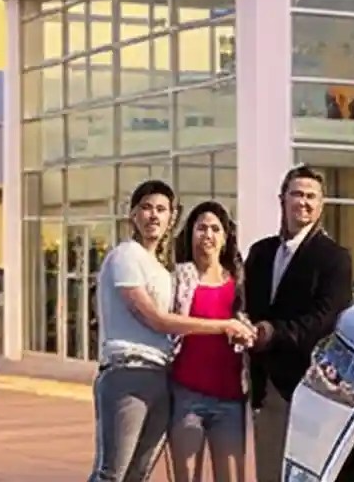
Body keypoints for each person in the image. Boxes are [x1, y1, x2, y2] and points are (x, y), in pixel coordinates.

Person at [90, 180, 256, 482]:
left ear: (171, 218)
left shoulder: (161, 270)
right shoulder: (128, 256)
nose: (154, 215)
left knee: (137, 473)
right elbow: (158, 319)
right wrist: (224, 326)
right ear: (133, 215)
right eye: (146, 208)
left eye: (161, 209)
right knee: (111, 473)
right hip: (130, 372)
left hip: (164, 378)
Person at [244, 166, 353, 482]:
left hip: (308, 384)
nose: (303, 202)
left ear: (321, 205)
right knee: (266, 471)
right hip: (263, 386)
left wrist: (272, 333)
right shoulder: (261, 253)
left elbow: (325, 318)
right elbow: (247, 306)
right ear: (282, 199)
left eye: (311, 196)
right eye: (296, 194)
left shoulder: (334, 258)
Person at [168, 201, 257, 482]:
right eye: (201, 227)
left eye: (215, 228)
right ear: (191, 233)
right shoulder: (179, 279)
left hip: (230, 399)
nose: (208, 234)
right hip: (186, 395)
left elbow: (253, 328)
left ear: (226, 236)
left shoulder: (240, 283)